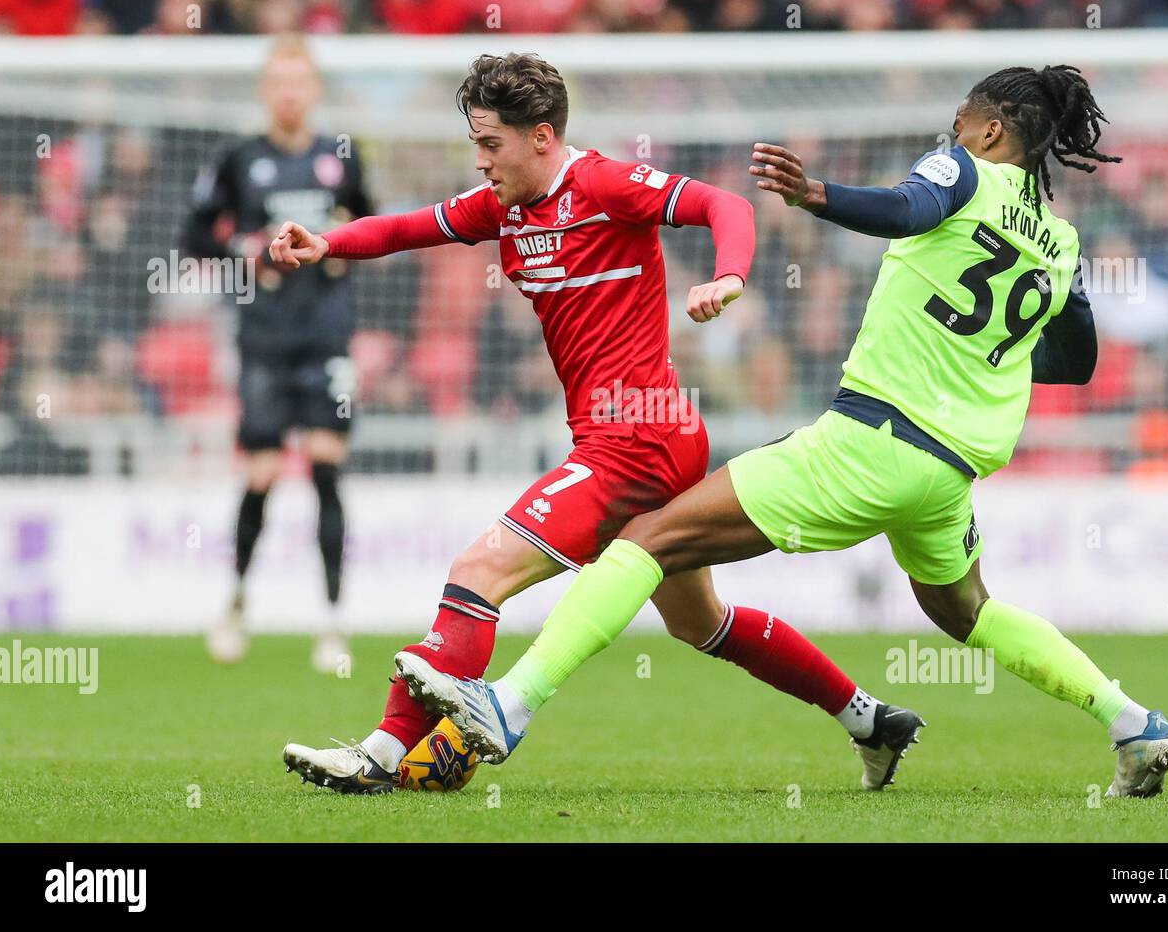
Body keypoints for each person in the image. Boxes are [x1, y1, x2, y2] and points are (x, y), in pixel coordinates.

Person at [408, 65, 1168, 800]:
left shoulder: (963, 171)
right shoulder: (1060, 241)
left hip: (869, 443)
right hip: (948, 471)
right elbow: (1076, 361)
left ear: (987, 131)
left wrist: (816, 193)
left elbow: (906, 209)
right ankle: (1132, 724)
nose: (949, 140)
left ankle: (510, 704)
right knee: (967, 611)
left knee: (644, 541)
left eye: (959, 126)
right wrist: (988, 354)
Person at [276, 53, 923, 795]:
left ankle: (381, 757)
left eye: (491, 145)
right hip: (635, 437)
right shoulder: (507, 207)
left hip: (636, 435)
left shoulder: (606, 185)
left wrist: (730, 275)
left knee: (478, 572)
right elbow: (410, 229)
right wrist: (331, 243)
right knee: (699, 623)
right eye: (476, 145)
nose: (481, 162)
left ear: (542, 137)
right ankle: (870, 718)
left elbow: (727, 206)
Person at [182, 36, 373, 672]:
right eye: (279, 82)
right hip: (263, 338)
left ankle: (333, 623)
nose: (289, 92)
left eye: (300, 81)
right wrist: (240, 248)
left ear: (313, 89)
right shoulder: (238, 158)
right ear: (267, 90)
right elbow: (192, 237)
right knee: (261, 474)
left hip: (326, 337)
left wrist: (340, 243)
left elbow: (370, 227)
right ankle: (236, 603)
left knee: (325, 467)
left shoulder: (340, 155)